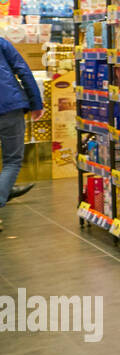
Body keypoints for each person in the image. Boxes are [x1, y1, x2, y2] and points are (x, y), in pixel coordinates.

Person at [0, 36, 43, 229]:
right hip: (10, 107)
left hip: (11, 106)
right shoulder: (1, 43)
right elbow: (23, 70)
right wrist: (36, 103)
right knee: (12, 161)